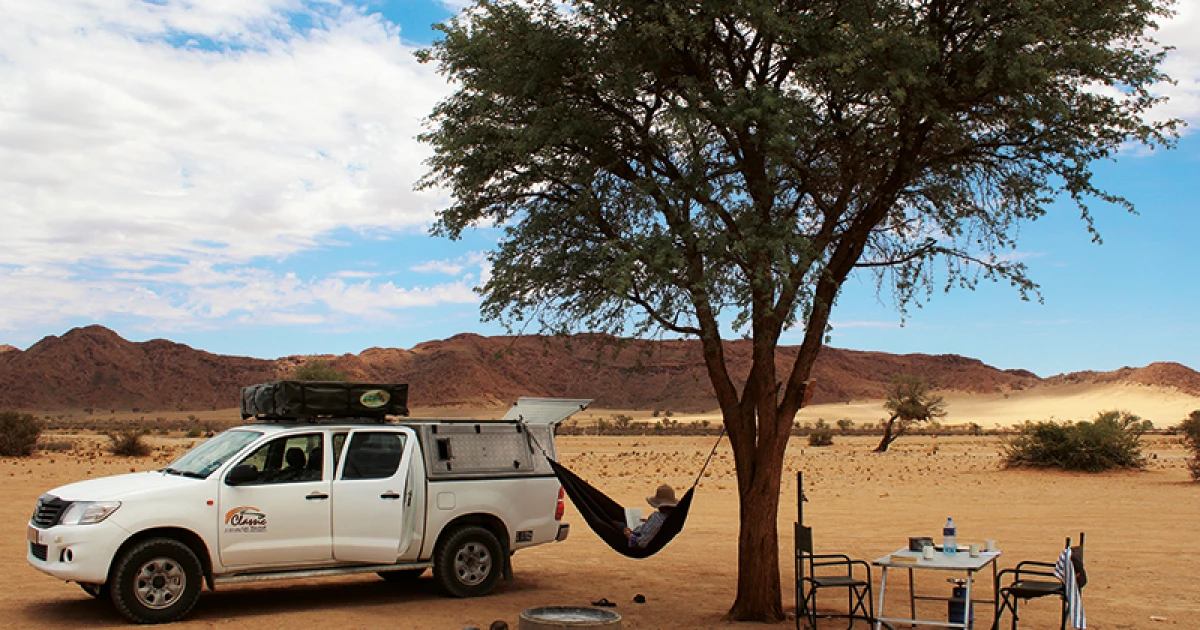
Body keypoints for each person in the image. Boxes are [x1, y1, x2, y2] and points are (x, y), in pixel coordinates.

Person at [623, 484, 677, 548]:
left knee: (620, 524)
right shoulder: (672, 517)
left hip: (637, 544)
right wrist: (649, 522)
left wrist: (628, 535)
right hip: (647, 535)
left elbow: (642, 542)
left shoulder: (657, 518)